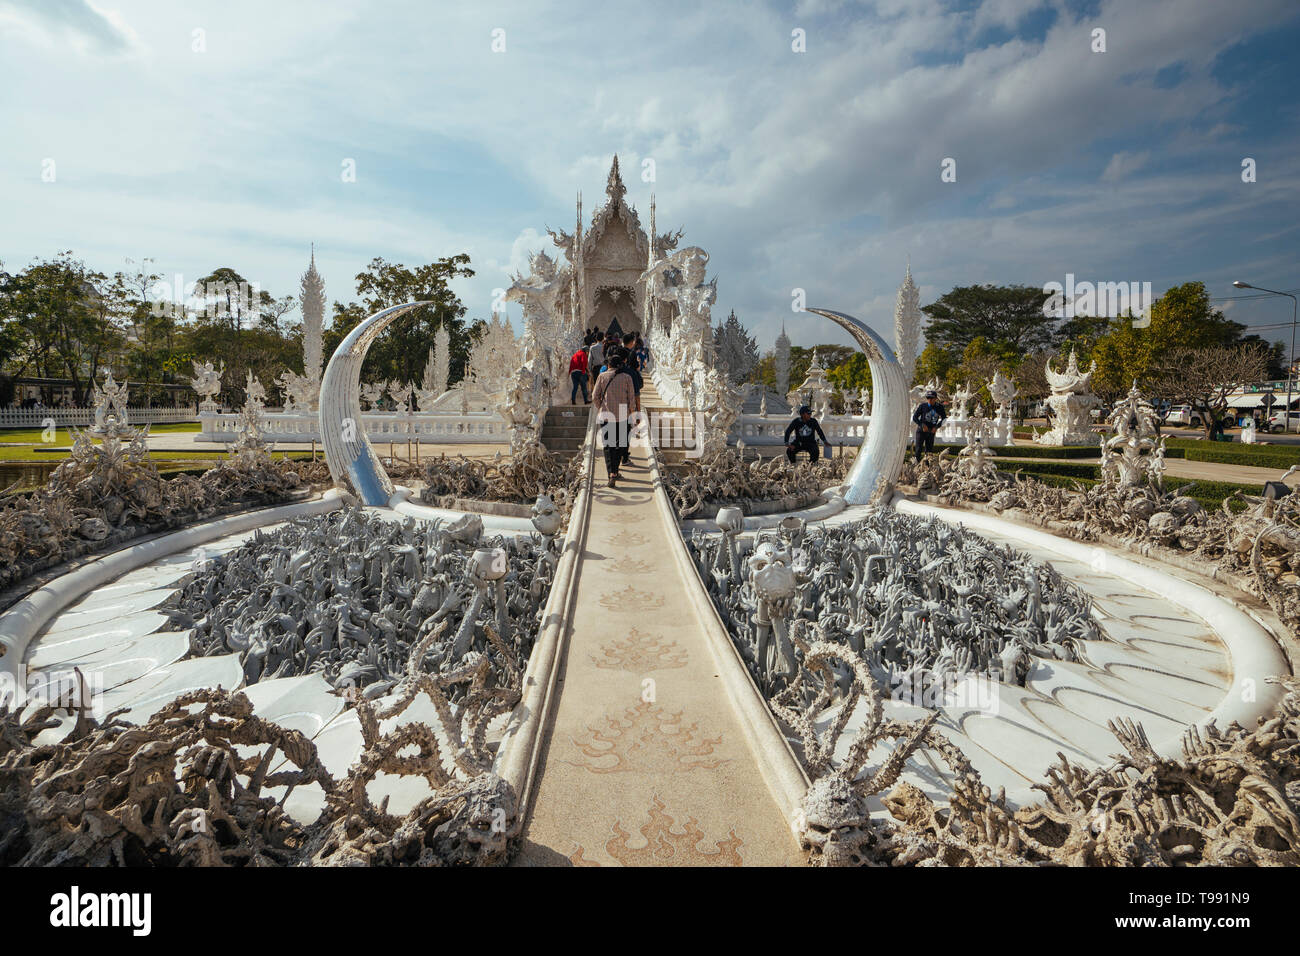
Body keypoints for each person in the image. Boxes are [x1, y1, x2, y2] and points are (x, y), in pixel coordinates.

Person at [592, 349, 637, 488]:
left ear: (609, 365)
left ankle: (611, 473)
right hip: (622, 416)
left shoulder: (602, 376)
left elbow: (595, 396)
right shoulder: (626, 377)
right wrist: (632, 412)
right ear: (620, 365)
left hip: (606, 416)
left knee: (608, 446)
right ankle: (615, 472)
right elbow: (631, 398)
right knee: (619, 444)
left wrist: (601, 407)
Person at [913, 390, 946, 461]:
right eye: (928, 398)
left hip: (931, 431)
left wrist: (937, 427)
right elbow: (915, 417)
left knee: (929, 452)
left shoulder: (940, 407)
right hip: (921, 431)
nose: (929, 400)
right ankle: (916, 466)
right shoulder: (922, 406)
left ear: (935, 398)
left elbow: (944, 419)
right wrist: (921, 425)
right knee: (918, 449)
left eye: (931, 398)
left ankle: (927, 468)